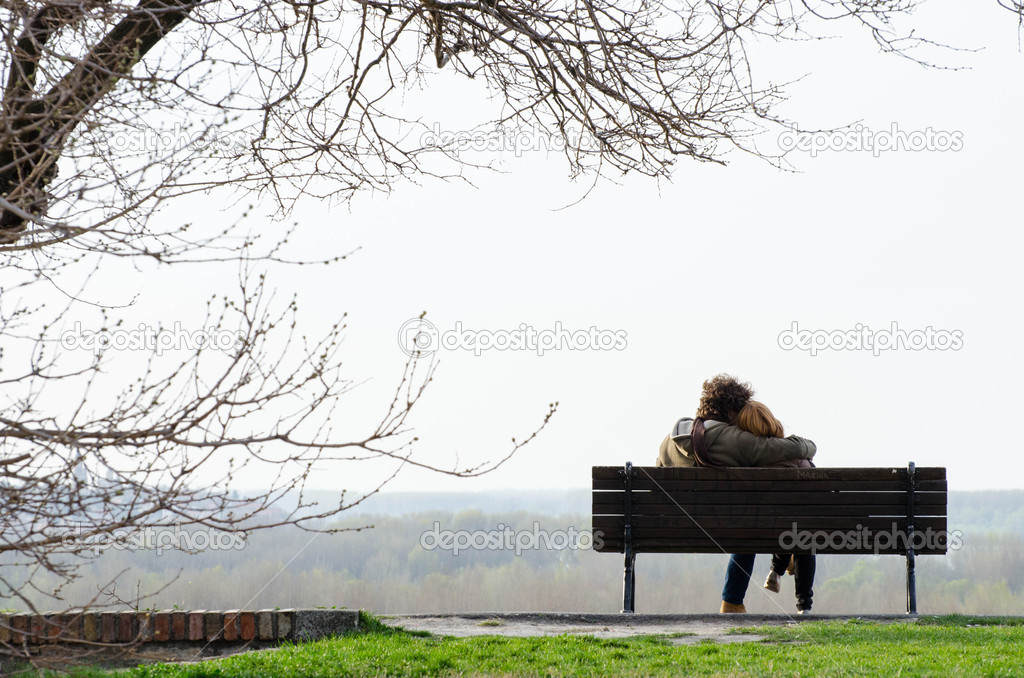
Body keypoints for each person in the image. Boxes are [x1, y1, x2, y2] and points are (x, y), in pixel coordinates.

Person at [656, 374, 817, 614]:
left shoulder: (669, 440)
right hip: (727, 527)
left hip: (674, 526)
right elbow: (787, 448)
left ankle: (734, 601)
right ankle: (733, 600)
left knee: (743, 515)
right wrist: (808, 447)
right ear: (731, 411)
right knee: (746, 519)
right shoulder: (731, 439)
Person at [733, 399, 816, 614]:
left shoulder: (746, 461)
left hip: (758, 531)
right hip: (797, 531)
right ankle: (803, 605)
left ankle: (776, 570)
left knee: (785, 523)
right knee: (802, 533)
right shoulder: (798, 457)